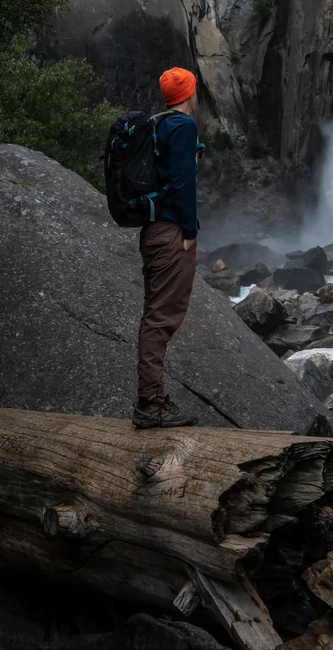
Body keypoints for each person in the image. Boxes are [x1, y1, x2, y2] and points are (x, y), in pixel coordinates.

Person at [132, 66, 201, 429]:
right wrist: (190, 231)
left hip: (153, 231)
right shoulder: (184, 127)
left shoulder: (158, 125)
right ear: (189, 94)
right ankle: (150, 404)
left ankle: (151, 397)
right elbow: (183, 182)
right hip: (172, 232)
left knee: (153, 316)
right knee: (161, 319)